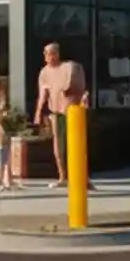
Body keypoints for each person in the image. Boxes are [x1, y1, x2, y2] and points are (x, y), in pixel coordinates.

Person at [33, 42, 94, 189]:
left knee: (76, 146)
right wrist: (38, 113)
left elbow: (79, 88)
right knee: (59, 147)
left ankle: (82, 178)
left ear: (57, 53)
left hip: (73, 112)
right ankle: (62, 176)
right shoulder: (44, 73)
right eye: (45, 53)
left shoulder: (70, 67)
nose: (47, 56)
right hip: (57, 112)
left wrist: (77, 97)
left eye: (50, 53)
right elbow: (43, 94)